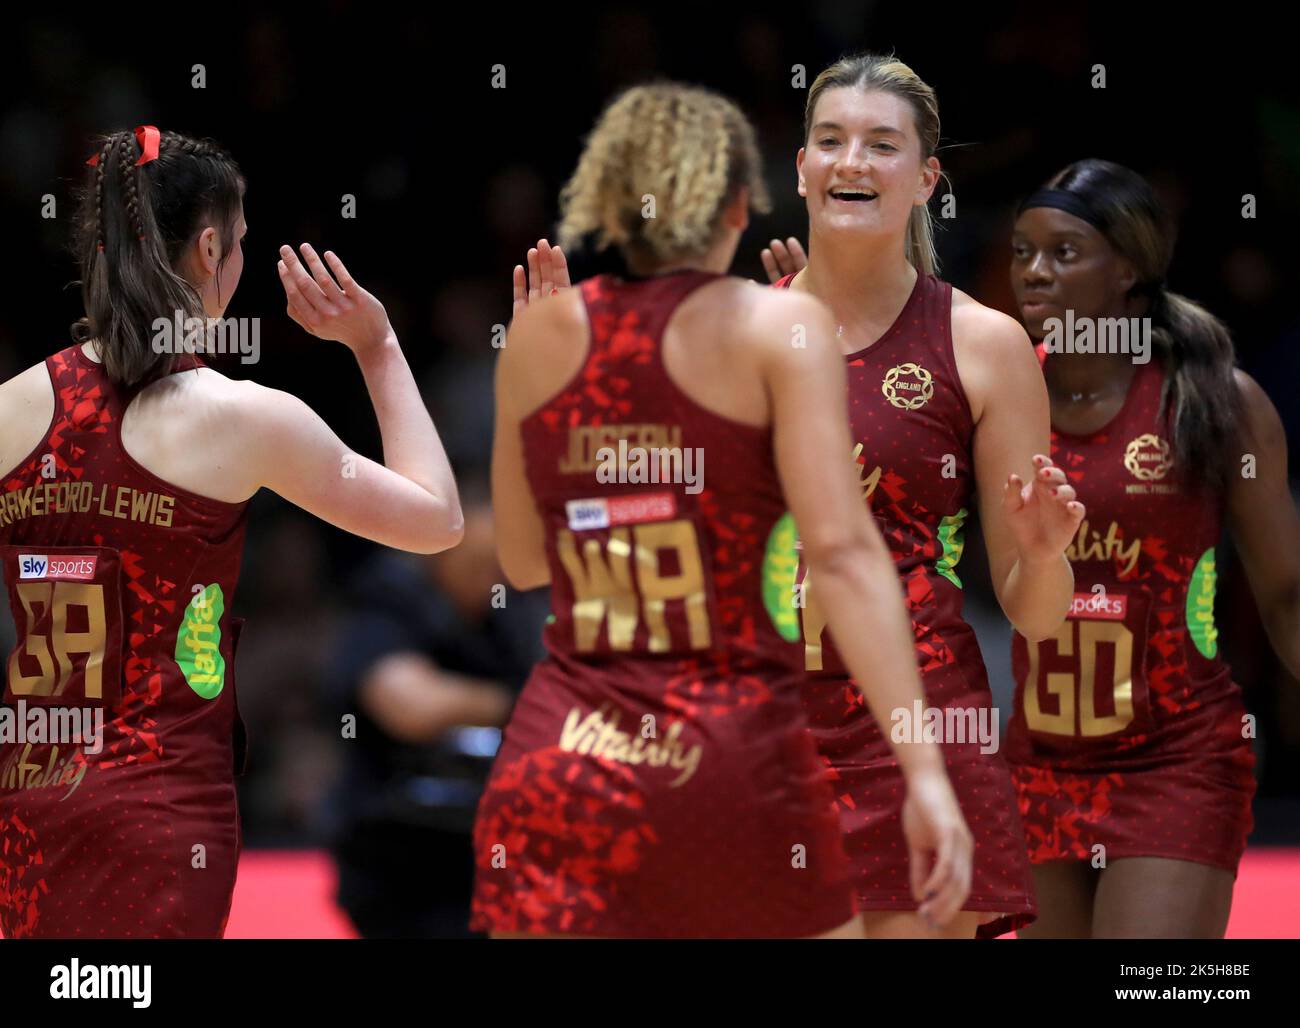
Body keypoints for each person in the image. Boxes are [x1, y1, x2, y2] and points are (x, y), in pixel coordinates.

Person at [477, 82, 973, 938]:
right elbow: (848, 558)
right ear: (741, 203)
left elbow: (523, 565)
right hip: (729, 757)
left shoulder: (538, 336)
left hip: (564, 754)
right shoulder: (780, 328)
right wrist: (925, 772)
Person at [0, 126, 462, 938]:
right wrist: (379, 347)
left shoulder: (8, 409)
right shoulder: (243, 418)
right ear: (208, 248)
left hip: (28, 805)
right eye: (241, 244)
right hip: (157, 811)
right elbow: (437, 522)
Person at [760, 52, 1084, 938]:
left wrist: (1046, 552)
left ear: (927, 179)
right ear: (801, 168)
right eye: (829, 141)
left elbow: (1040, 616)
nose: (852, 162)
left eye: (881, 144)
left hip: (923, 716)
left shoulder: (986, 345)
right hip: (770, 724)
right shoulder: (731, 332)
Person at [1006, 158, 1300, 937]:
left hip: (1177, 758)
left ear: (1128, 268)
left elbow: (1285, 596)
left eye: (1064, 252)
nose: (1034, 272)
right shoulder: (999, 393)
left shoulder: (1214, 399)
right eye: (1021, 252)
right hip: (1035, 759)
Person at [325, 482, 547, 937]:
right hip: (399, 863)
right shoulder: (390, 603)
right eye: (480, 566)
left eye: (499, 569)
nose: (492, 581)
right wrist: (510, 703)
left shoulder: (507, 617)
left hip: (487, 857)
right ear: (440, 552)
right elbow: (409, 705)